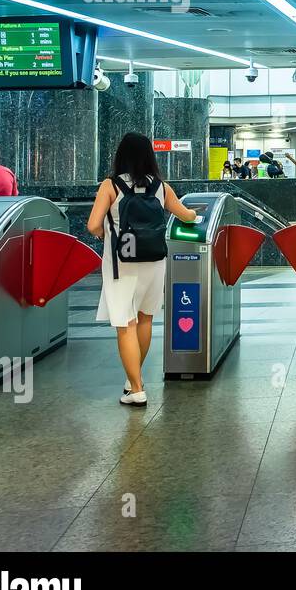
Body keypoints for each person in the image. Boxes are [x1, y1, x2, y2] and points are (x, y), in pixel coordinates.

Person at [87, 132, 197, 407]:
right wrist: (196, 216)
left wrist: (104, 234)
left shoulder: (110, 186)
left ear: (120, 156)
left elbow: (92, 225)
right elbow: (186, 214)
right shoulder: (160, 186)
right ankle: (132, 380)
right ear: (149, 155)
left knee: (126, 324)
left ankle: (136, 388)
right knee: (145, 319)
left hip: (122, 262)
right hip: (154, 260)